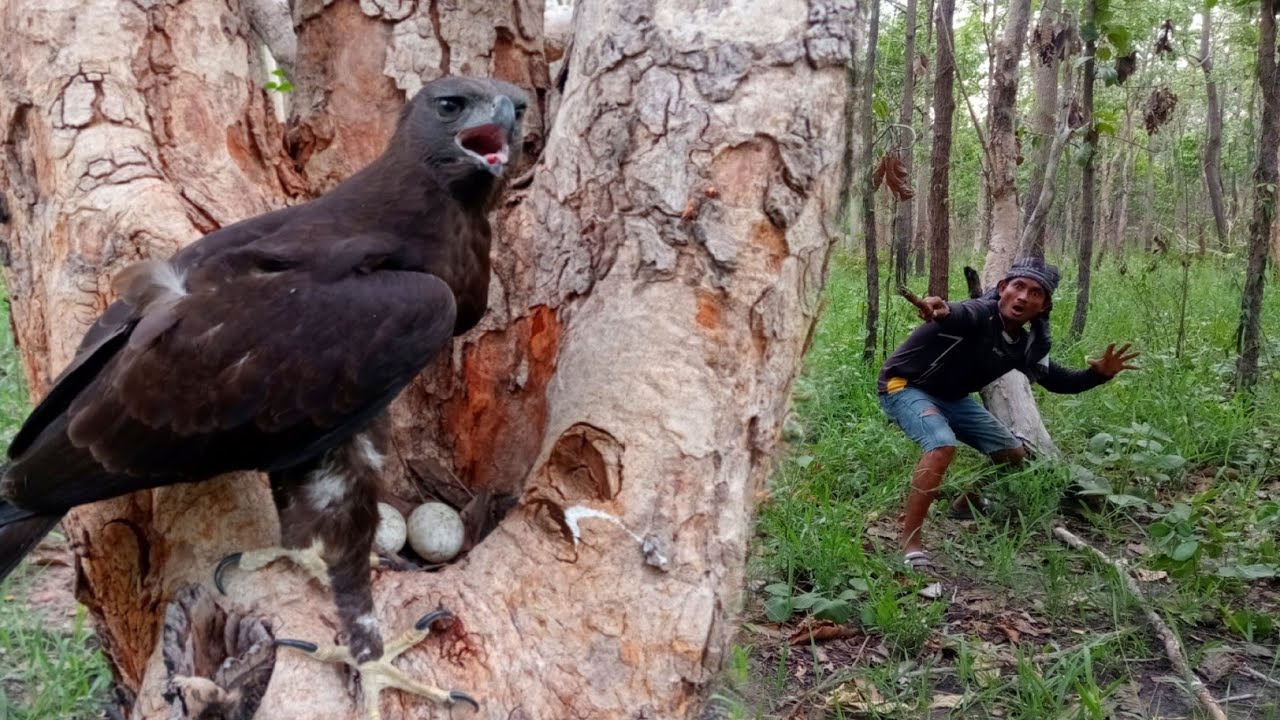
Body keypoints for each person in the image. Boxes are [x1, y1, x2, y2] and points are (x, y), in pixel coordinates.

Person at [877, 259, 1139, 570]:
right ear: (1002, 288)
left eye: (1035, 293)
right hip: (904, 386)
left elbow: (1059, 381)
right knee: (941, 443)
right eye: (1018, 286)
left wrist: (1099, 375)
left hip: (952, 398)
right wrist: (941, 308)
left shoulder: (1023, 345)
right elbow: (960, 312)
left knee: (1013, 454)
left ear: (1044, 307)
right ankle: (910, 545)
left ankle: (965, 505)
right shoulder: (980, 314)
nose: (1023, 297)